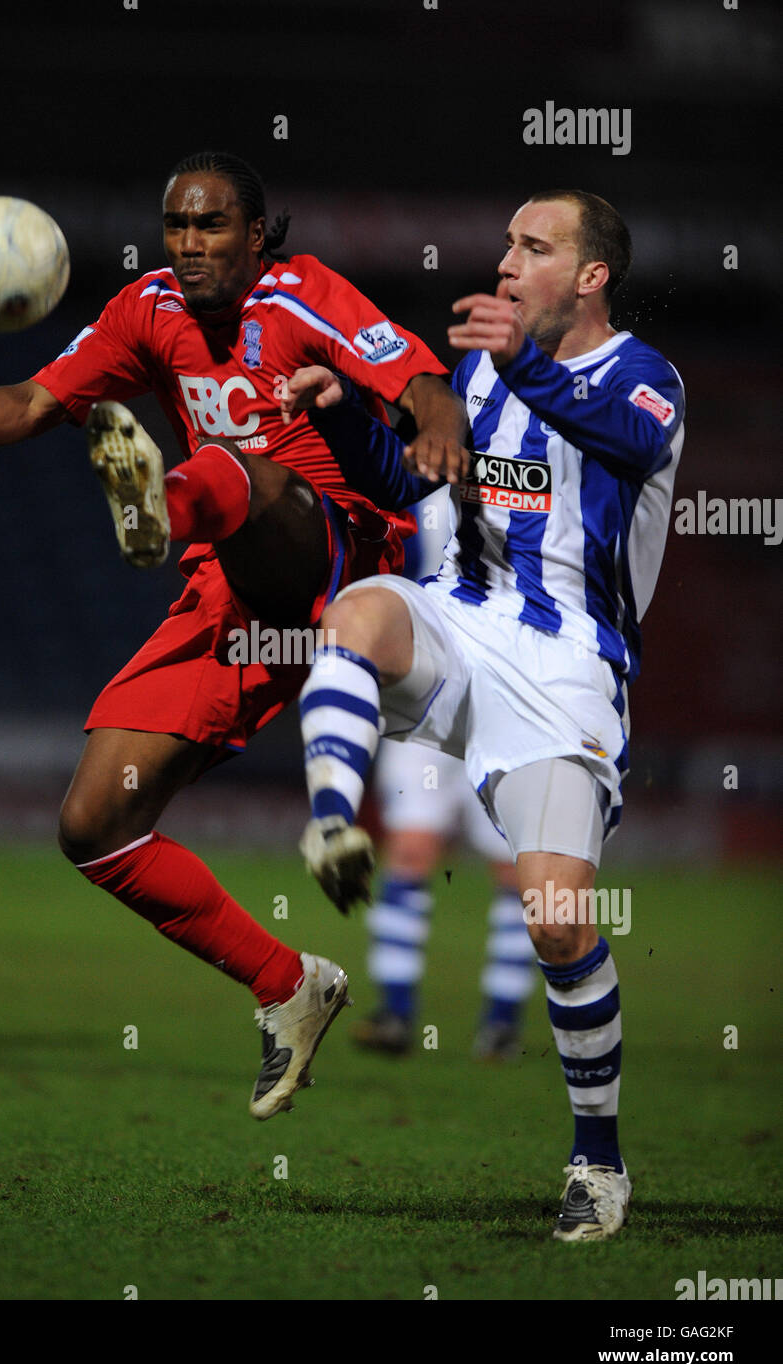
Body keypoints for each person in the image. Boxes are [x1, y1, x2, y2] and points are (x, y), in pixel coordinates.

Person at [0, 150, 469, 1120]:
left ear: (255, 235)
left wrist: (440, 428)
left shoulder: (302, 296)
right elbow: (39, 400)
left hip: (342, 555)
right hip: (233, 602)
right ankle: (288, 984)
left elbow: (419, 373)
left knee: (243, 475)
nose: (189, 244)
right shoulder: (150, 309)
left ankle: (163, 509)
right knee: (92, 823)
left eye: (210, 225)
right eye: (176, 226)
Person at [287, 190, 685, 1238]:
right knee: (360, 610)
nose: (506, 258)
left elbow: (622, 443)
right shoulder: (477, 374)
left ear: (590, 275)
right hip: (461, 625)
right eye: (505, 241)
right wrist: (338, 415)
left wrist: (520, 369)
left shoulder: (645, 379)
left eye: (534, 245)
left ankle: (597, 1162)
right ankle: (331, 815)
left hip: (564, 672)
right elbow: (416, 479)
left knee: (557, 920)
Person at [351, 490, 535, 1058]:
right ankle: (396, 1014)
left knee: (514, 870)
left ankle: (502, 1023)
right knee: (409, 847)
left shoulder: (524, 470)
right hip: (423, 695)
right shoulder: (407, 481)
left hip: (504, 697)